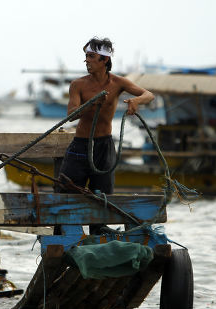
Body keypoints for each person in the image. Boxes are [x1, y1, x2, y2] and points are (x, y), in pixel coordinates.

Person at [56, 37, 154, 234]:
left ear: (104, 60)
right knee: (67, 191)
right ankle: (63, 234)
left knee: (103, 195)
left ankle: (98, 232)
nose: (87, 61)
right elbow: (71, 115)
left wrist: (136, 101)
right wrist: (91, 104)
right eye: (86, 57)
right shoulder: (78, 85)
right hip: (81, 146)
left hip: (104, 146)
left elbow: (148, 95)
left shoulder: (118, 83)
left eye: (91, 57)